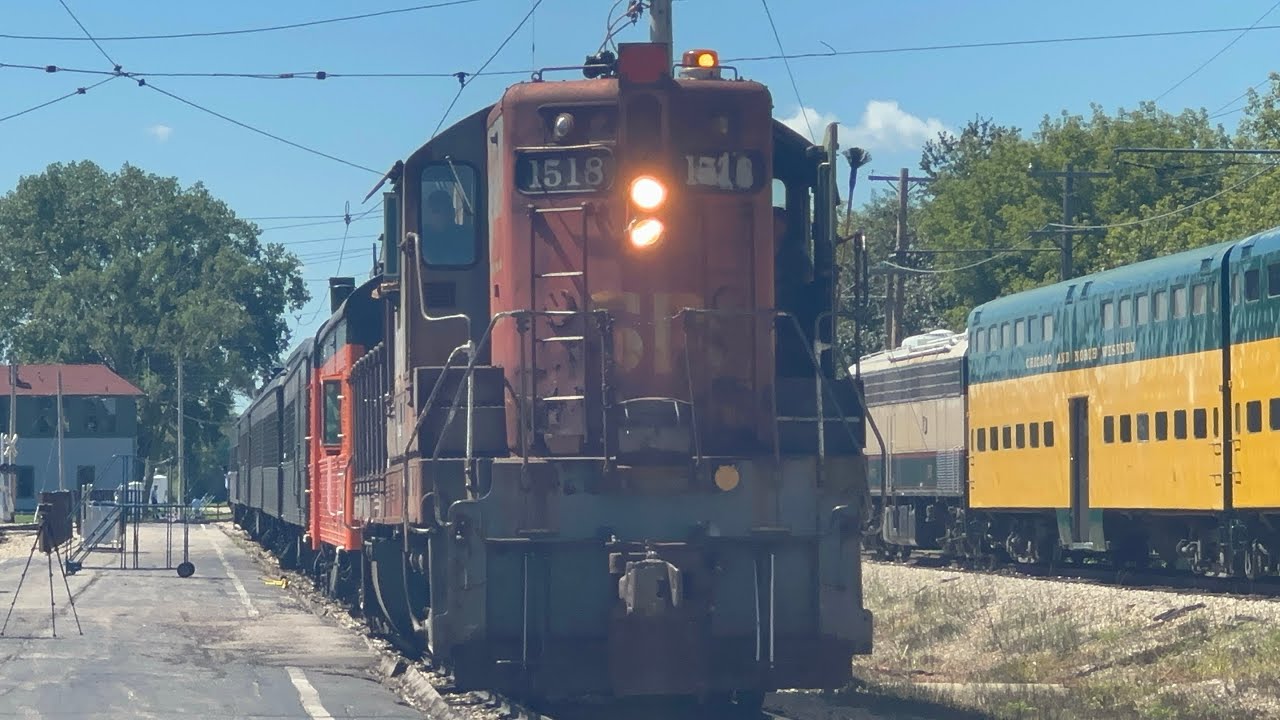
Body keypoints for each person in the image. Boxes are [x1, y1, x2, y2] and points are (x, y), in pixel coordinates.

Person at [422, 189, 474, 266]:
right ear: (429, 214)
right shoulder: (421, 238)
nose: (442, 214)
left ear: (452, 212)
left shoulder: (466, 235)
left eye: (448, 209)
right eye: (436, 211)